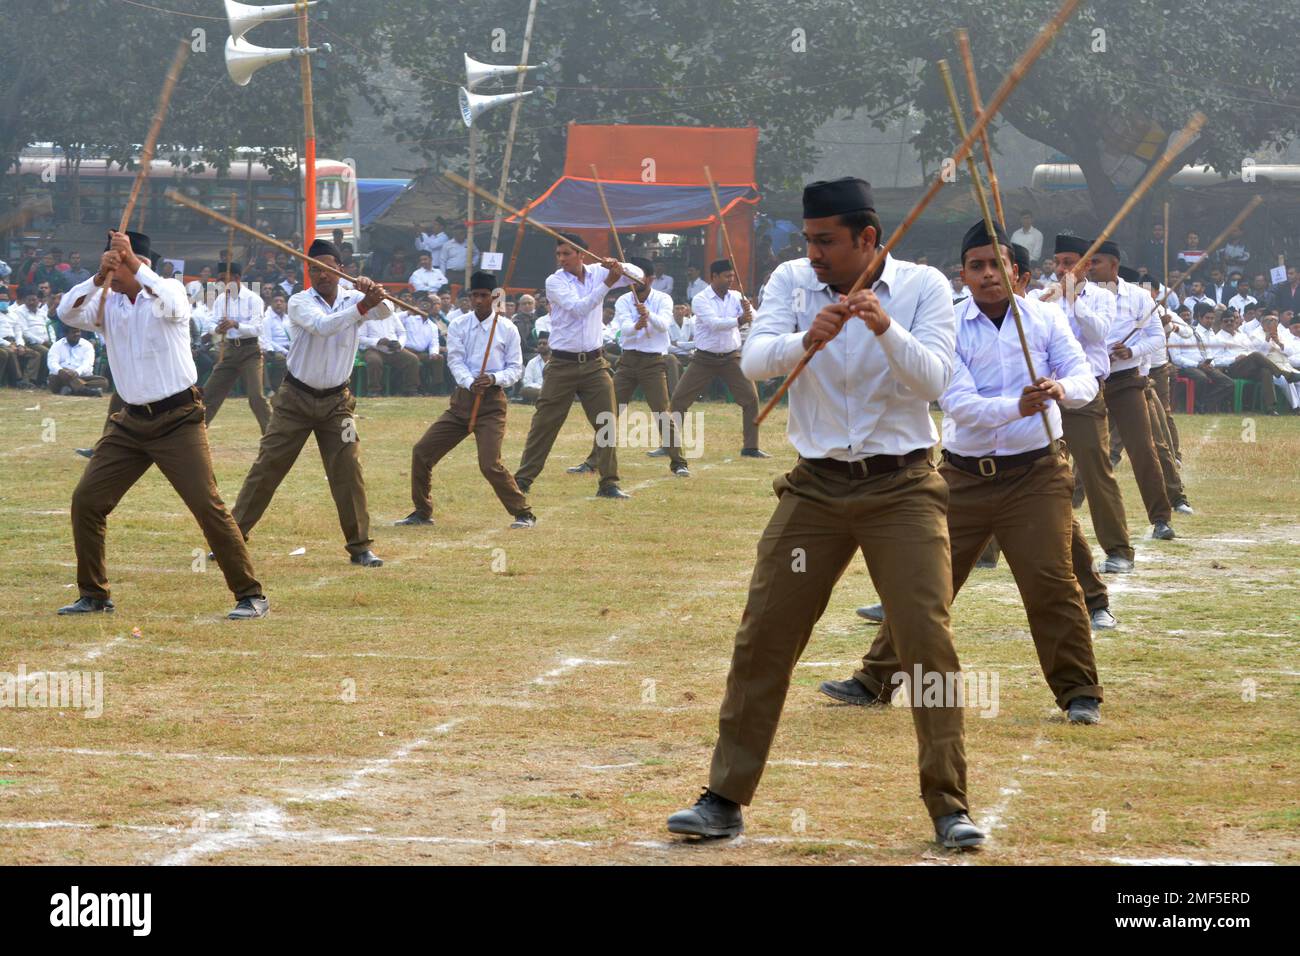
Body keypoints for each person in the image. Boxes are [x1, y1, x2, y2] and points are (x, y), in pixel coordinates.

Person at [666, 177, 982, 850]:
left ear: (867, 239)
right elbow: (753, 362)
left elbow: (935, 380)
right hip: (814, 490)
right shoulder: (790, 282)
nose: (812, 253)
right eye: (809, 239)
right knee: (763, 636)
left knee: (927, 643)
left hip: (902, 488)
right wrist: (803, 339)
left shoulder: (924, 287)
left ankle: (949, 805)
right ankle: (723, 798)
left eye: (826, 242)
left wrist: (882, 325)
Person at [823, 219, 1104, 728]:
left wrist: (1060, 391)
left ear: (1017, 273)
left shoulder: (1043, 320)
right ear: (963, 275)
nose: (988, 274)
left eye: (998, 265)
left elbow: (1085, 376)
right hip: (963, 475)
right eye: (977, 266)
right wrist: (1019, 406)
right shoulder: (947, 325)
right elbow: (960, 405)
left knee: (1050, 582)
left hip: (1036, 473)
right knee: (925, 585)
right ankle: (874, 680)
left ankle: (1079, 691)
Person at [55, 230, 267, 619]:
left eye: (120, 263)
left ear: (142, 264)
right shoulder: (106, 300)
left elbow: (171, 302)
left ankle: (250, 594)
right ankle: (94, 595)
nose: (115, 272)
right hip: (129, 424)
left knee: (207, 506)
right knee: (86, 501)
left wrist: (132, 261)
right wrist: (96, 277)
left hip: (178, 419)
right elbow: (67, 313)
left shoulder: (169, 291)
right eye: (112, 263)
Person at [227, 239, 386, 567]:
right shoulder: (300, 302)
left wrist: (374, 292)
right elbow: (323, 327)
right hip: (294, 401)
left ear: (341, 270)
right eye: (315, 269)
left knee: (348, 468)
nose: (322, 275)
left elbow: (384, 311)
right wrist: (362, 306)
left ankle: (360, 547)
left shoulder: (356, 296)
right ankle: (230, 538)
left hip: (338, 405)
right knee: (268, 466)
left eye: (328, 268)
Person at [395, 272, 534, 530]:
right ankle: (422, 511)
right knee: (422, 451)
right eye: (474, 296)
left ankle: (523, 512)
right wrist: (470, 382)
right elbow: (454, 360)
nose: (478, 301)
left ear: (494, 298)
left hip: (491, 405)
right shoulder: (459, 325)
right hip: (462, 402)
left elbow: (516, 369)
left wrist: (493, 378)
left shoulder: (507, 328)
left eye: (483, 296)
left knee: (489, 464)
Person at [513, 235, 636, 499]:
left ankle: (609, 483)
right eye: (559, 254)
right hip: (562, 364)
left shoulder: (597, 271)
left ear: (582, 254)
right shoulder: (555, 281)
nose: (561, 259)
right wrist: (609, 282)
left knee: (607, 423)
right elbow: (579, 308)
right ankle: (522, 480)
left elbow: (637, 275)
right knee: (545, 422)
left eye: (566, 254)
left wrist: (617, 265)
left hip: (594, 363)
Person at [1091, 240, 1176, 540]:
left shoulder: (1140, 297)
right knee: (1083, 453)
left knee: (1143, 449)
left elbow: (1157, 338)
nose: (1089, 268)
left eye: (1096, 262)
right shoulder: (1078, 295)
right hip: (1088, 383)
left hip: (1126, 381)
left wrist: (1132, 350)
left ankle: (1161, 519)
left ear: (1113, 265)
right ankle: (1068, 510)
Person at [569, 256, 678, 476]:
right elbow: (624, 329)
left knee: (661, 412)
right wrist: (638, 324)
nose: (633, 282)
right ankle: (593, 462)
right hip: (628, 362)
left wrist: (649, 315)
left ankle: (679, 462)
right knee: (610, 412)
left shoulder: (663, 299)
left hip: (654, 362)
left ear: (649, 279)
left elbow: (664, 325)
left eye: (637, 278)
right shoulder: (623, 301)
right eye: (629, 277)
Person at [665, 258, 767, 472]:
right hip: (704, 358)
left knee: (751, 399)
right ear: (714, 277)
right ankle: (668, 446)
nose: (731, 280)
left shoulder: (738, 297)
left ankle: (750, 447)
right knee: (679, 399)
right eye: (726, 276)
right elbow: (714, 324)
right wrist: (740, 320)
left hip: (732, 356)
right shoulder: (701, 299)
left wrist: (750, 310)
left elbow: (755, 319)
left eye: (732, 276)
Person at [202, 261, 272, 435]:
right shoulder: (220, 299)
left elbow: (258, 329)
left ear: (236, 278)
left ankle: (272, 435)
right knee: (209, 394)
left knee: (256, 397)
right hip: (230, 351)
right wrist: (217, 328)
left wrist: (235, 324)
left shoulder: (253, 299)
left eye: (223, 279)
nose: (220, 283)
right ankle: (197, 431)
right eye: (218, 280)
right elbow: (209, 322)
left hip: (251, 351)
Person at [1169, 302, 1234, 411]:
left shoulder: (1194, 332)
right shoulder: (1173, 334)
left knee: (1228, 383)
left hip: (1202, 365)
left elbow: (1207, 352)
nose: (1186, 318)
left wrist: (1209, 364)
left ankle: (1206, 403)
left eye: (1188, 315)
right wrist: (1197, 365)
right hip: (1185, 367)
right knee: (1201, 378)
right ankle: (1198, 407)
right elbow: (1176, 359)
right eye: (1182, 316)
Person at [359, 294, 420, 397]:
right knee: (374, 361)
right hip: (372, 349)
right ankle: (374, 390)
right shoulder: (366, 316)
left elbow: (402, 332)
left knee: (412, 359)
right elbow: (359, 338)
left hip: (392, 348)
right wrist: (378, 341)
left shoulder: (392, 315)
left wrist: (399, 344)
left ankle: (410, 389)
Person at [46, 326, 108, 396]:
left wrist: (76, 372)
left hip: (82, 376)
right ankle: (85, 390)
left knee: (103, 382)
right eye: (73, 332)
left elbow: (88, 364)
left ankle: (69, 390)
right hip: (62, 376)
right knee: (53, 379)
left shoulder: (87, 345)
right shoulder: (57, 345)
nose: (77, 334)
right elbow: (52, 363)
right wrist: (60, 370)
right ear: (66, 334)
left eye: (78, 331)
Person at [402, 298, 443, 395]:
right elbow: (395, 318)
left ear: (432, 309)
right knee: (414, 359)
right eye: (423, 305)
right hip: (406, 351)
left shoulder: (432, 325)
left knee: (439, 358)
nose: (425, 308)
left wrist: (434, 353)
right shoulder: (408, 319)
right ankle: (414, 389)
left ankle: (435, 388)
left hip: (422, 353)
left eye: (428, 306)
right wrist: (409, 312)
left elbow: (434, 342)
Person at [260, 292, 293, 393]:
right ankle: (275, 388)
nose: (279, 303)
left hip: (289, 348)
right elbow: (268, 341)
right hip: (271, 349)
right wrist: (285, 351)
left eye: (281, 301)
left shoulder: (289, 319)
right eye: (276, 301)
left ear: (286, 304)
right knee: (281, 360)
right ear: (271, 303)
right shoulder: (267, 319)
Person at [518, 339, 549, 404]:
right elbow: (527, 382)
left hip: (552, 389)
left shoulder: (555, 362)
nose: (541, 346)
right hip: (536, 390)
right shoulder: (532, 362)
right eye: (539, 344)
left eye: (544, 343)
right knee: (524, 390)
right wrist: (540, 388)